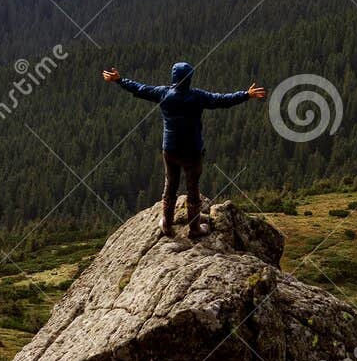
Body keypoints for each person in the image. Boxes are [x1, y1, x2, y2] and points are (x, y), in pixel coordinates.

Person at [102, 63, 266, 238]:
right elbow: (222, 100)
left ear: (174, 77)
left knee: (170, 185)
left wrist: (119, 80)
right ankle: (194, 228)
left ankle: (166, 224)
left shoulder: (163, 93)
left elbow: (140, 88)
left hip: (170, 149)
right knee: (192, 188)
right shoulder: (198, 97)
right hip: (192, 151)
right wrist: (246, 95)